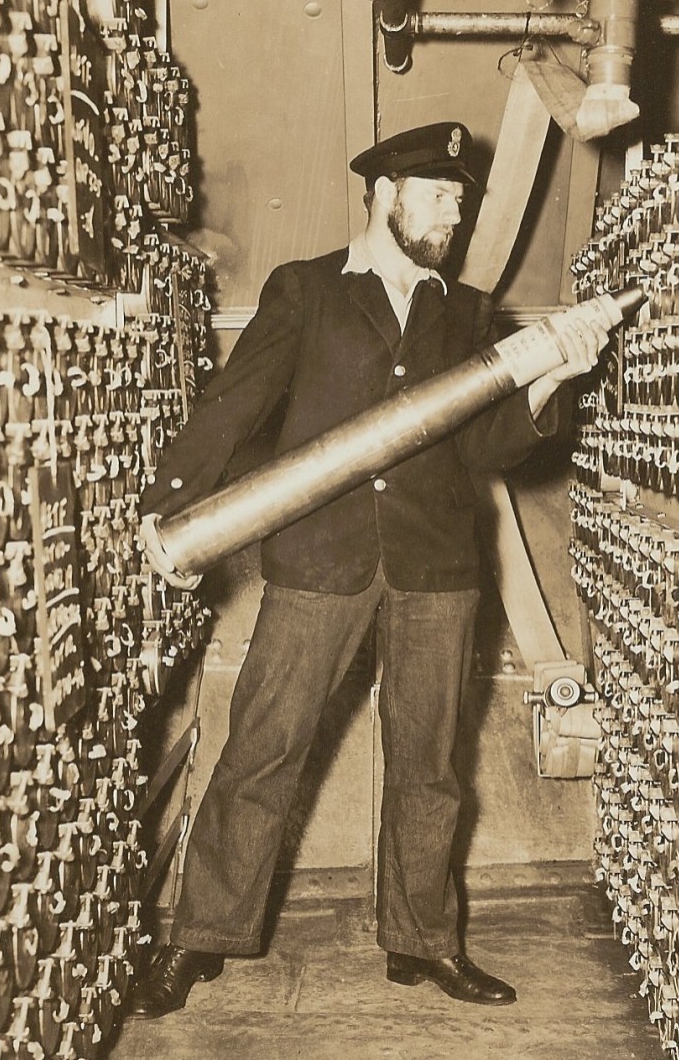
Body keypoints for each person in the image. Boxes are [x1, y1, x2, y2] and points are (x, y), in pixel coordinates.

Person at [129, 121, 610, 1018]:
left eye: (461, 203)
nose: (453, 216)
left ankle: (424, 943)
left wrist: (550, 383)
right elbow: (236, 404)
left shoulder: (465, 313)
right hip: (319, 559)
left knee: (429, 766)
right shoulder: (306, 289)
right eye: (438, 197)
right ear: (384, 191)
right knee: (262, 752)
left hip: (436, 567)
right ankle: (200, 938)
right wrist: (171, 508)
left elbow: (489, 447)